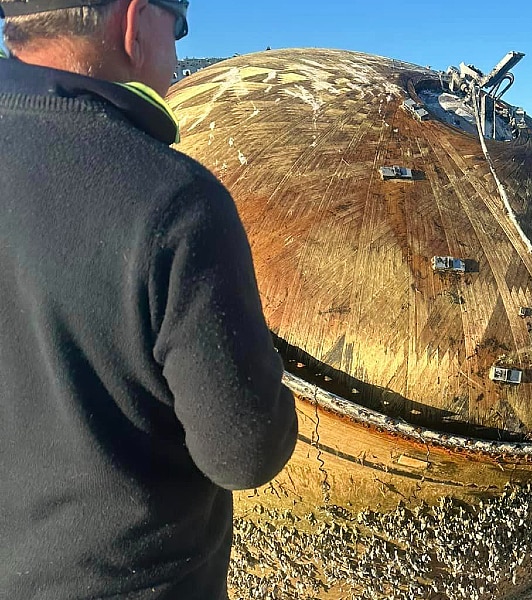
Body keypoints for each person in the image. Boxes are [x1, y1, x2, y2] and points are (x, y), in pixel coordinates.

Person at [0, 1, 298, 599]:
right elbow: (243, 454)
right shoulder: (177, 202)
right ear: (134, 24)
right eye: (179, 23)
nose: (180, 47)